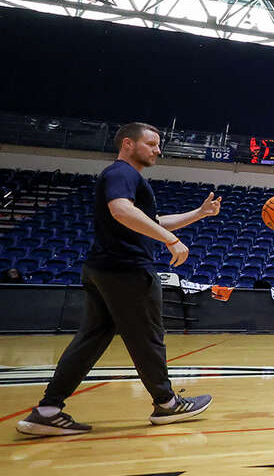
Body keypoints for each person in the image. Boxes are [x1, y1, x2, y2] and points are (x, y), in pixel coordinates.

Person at [17, 123, 215, 437]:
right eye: (151, 143)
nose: (158, 150)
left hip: (103, 269)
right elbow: (121, 210)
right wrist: (171, 241)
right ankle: (167, 403)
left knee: (90, 340)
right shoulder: (122, 172)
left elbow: (150, 221)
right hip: (127, 270)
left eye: (158, 145)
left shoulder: (122, 177)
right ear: (127, 144)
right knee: (148, 338)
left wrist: (198, 214)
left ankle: (48, 410)